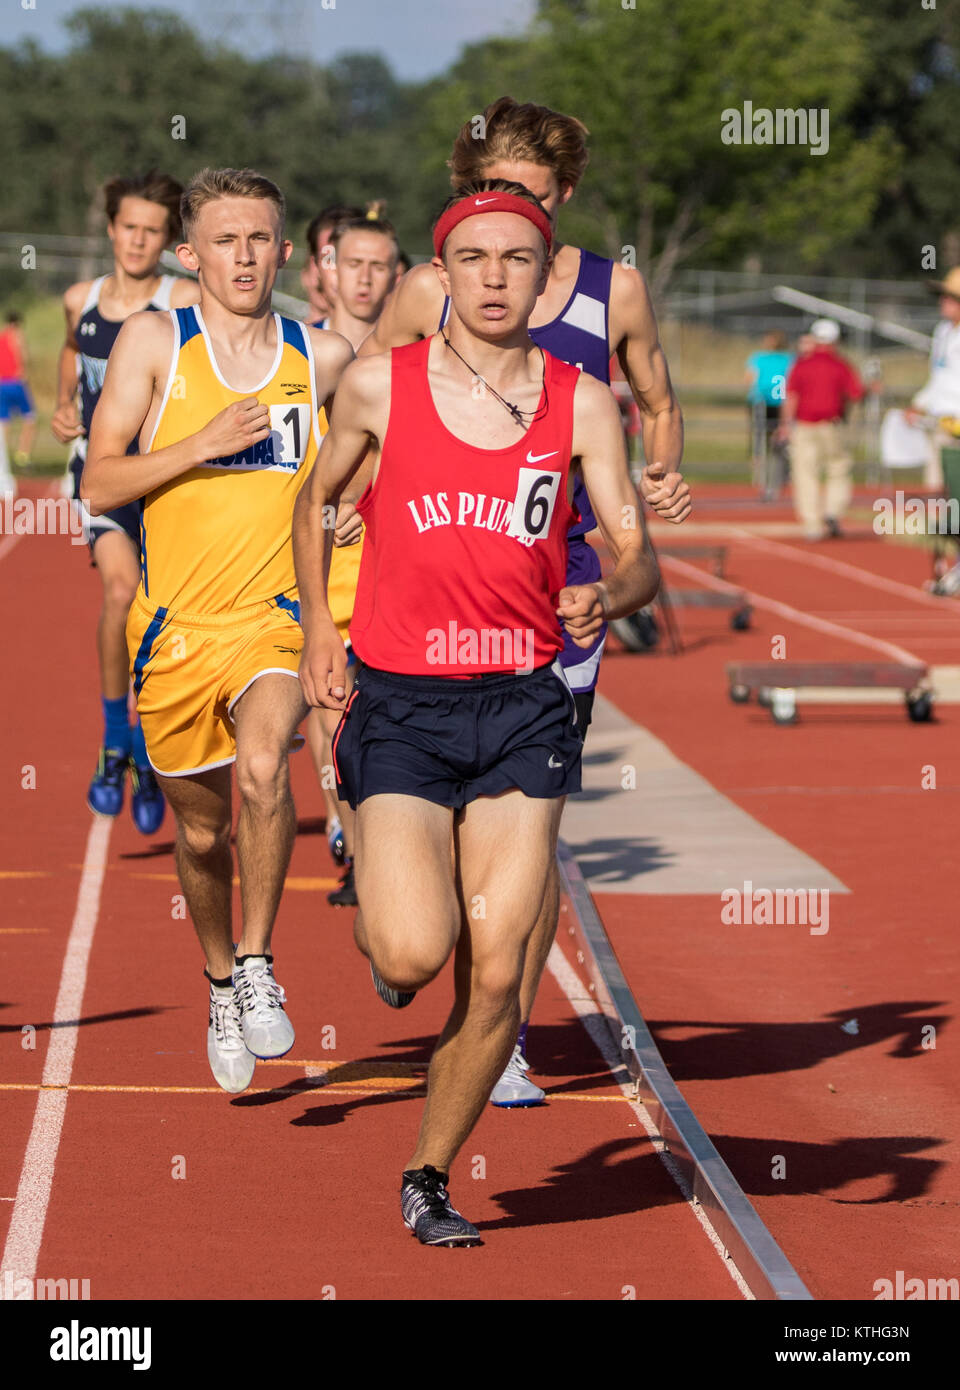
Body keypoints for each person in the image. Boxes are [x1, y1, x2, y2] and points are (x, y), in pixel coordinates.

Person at [295, 182, 661, 1245]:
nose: (495, 278)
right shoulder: (378, 386)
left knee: (499, 965)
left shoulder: (581, 403)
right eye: (474, 259)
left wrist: (611, 592)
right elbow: (314, 502)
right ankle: (375, 878)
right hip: (402, 703)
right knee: (412, 957)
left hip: (524, 705)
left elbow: (636, 554)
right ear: (439, 274)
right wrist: (322, 625)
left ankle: (427, 1172)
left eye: (517, 260)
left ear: (548, 278)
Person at [362, 96, 690, 1106]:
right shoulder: (431, 290)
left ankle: (496, 1025)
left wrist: (663, 472)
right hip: (429, 595)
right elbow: (373, 408)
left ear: (567, 199)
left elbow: (657, 400)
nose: (508, 216)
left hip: (562, 597)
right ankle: (405, 914)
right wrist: (354, 507)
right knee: (439, 835)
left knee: (531, 830)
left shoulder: (613, 292)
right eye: (488, 195)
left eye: (530, 198)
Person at [82, 167, 353, 1092]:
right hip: (175, 632)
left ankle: (261, 960)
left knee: (267, 767)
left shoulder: (321, 358)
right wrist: (199, 444)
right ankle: (218, 980)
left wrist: (360, 502)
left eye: (259, 239)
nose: (244, 257)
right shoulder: (156, 341)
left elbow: (382, 453)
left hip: (275, 615)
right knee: (201, 839)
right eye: (225, 241)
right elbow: (98, 483)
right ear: (190, 254)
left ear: (283, 250)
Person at [51, 170, 200, 833]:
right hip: (105, 477)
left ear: (166, 238)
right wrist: (63, 406)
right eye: (129, 227)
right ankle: (117, 741)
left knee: (161, 614)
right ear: (111, 228)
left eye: (152, 230)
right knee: (118, 593)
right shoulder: (79, 297)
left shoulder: (183, 298)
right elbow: (71, 348)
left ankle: (152, 746)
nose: (139, 240)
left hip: (167, 480)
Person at [308, 205, 401, 908]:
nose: (366, 280)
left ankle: (382, 847)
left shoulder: (417, 356)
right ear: (326, 271)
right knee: (328, 715)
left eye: (380, 267)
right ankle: (353, 840)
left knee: (386, 722)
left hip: (395, 562)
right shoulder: (300, 354)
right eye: (353, 264)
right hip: (318, 567)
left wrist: (364, 499)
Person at [778, 318, 864, 540]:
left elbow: (791, 397)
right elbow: (855, 394)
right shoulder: (842, 365)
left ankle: (812, 523)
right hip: (832, 426)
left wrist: (785, 425)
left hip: (805, 426)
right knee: (838, 469)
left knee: (806, 473)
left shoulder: (801, 364)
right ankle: (833, 511)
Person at [906, 265, 960, 491]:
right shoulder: (943, 331)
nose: (942, 302)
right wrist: (920, 403)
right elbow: (939, 375)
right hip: (944, 419)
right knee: (943, 480)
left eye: (949, 298)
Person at [745, 329, 793, 498]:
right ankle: (775, 476)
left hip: (767, 402)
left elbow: (750, 378)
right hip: (777, 402)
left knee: (763, 440)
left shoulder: (760, 358)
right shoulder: (789, 359)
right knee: (775, 441)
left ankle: (764, 477)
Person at [301, 204, 364, 329]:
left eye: (354, 260)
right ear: (315, 266)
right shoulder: (296, 344)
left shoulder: (402, 341)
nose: (340, 270)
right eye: (331, 258)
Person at [0, 312, 37, 466]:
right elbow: (23, 355)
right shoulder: (17, 335)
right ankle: (22, 455)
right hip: (15, 382)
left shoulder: (1, 336)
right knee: (30, 419)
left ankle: (3, 456)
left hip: (1, 384)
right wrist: (24, 371)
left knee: (4, 421)